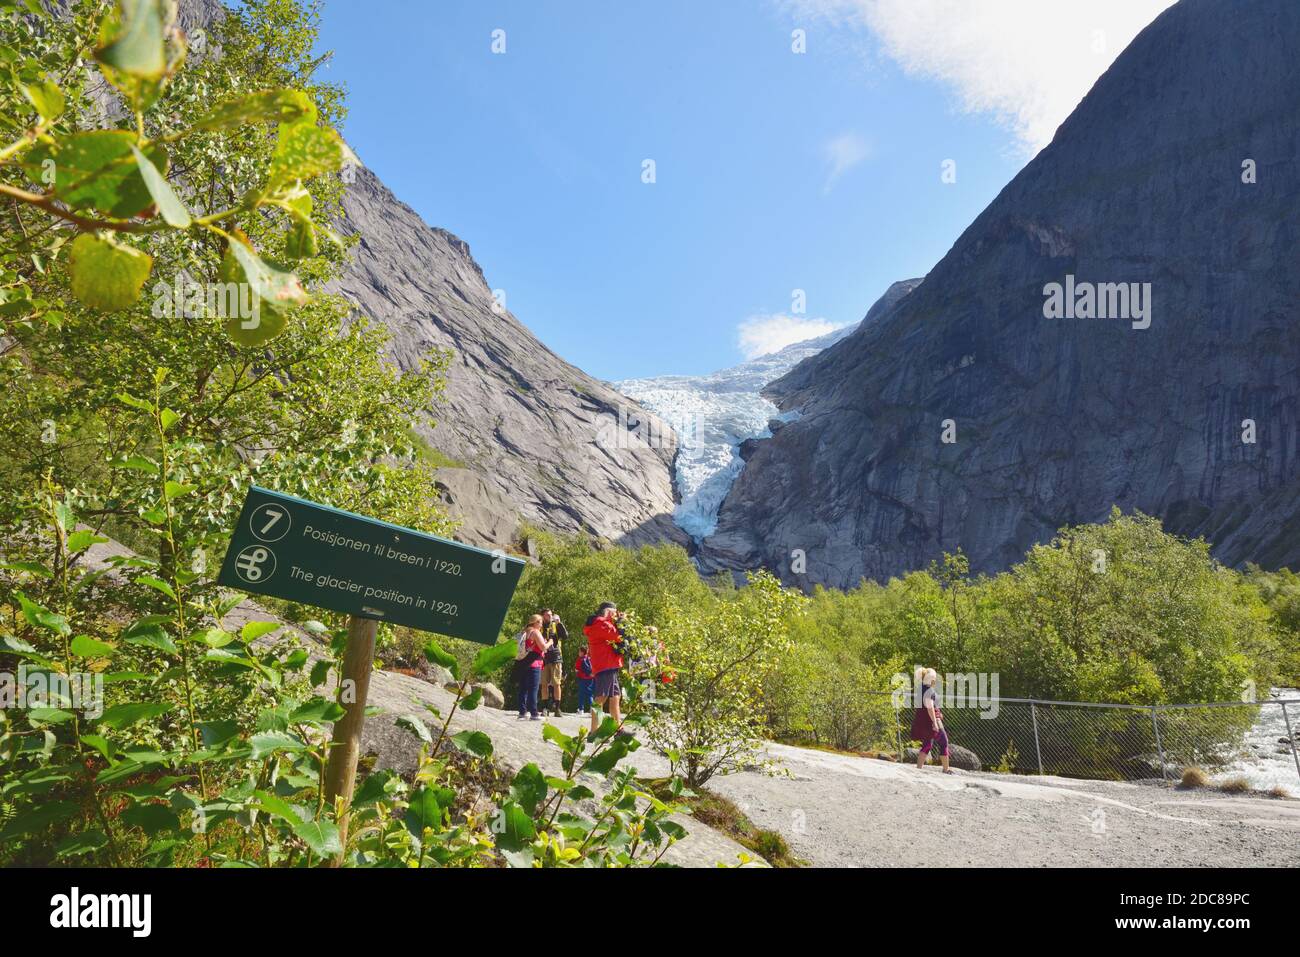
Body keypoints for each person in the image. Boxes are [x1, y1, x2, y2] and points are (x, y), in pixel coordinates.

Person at [582, 602, 624, 734]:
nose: (616, 615)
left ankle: (618, 730)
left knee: (615, 697)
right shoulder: (601, 623)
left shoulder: (599, 623)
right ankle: (594, 731)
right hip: (606, 665)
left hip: (608, 664)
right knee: (601, 698)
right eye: (615, 612)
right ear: (609, 611)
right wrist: (621, 622)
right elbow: (618, 637)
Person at [911, 667, 952, 773]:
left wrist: (938, 712)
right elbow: (929, 707)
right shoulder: (929, 690)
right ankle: (946, 769)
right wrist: (935, 722)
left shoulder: (921, 688)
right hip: (932, 721)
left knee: (927, 744)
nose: (936, 679)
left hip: (923, 721)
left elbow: (928, 706)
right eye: (935, 677)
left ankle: (919, 768)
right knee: (944, 741)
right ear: (931, 678)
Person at [515, 614, 550, 721]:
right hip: (534, 663)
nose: (541, 625)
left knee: (523, 689)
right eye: (540, 622)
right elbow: (543, 647)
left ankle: (522, 712)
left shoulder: (524, 632)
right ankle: (534, 713)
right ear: (536, 622)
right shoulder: (535, 632)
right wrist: (550, 642)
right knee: (533, 689)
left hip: (523, 663)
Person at [539, 608, 568, 717]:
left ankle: (557, 708)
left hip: (556, 657)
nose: (550, 616)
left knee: (557, 683)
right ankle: (545, 708)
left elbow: (565, 636)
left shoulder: (556, 625)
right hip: (543, 658)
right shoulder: (539, 626)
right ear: (542, 616)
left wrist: (560, 624)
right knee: (544, 684)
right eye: (547, 615)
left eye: (551, 614)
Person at [574, 644, 595, 715]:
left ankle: (581, 709)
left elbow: (577, 669)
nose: (578, 653)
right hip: (590, 679)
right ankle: (592, 710)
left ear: (582, 652)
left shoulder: (580, 660)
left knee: (581, 694)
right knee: (590, 694)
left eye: (579, 651)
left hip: (582, 679)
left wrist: (577, 672)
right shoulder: (590, 658)